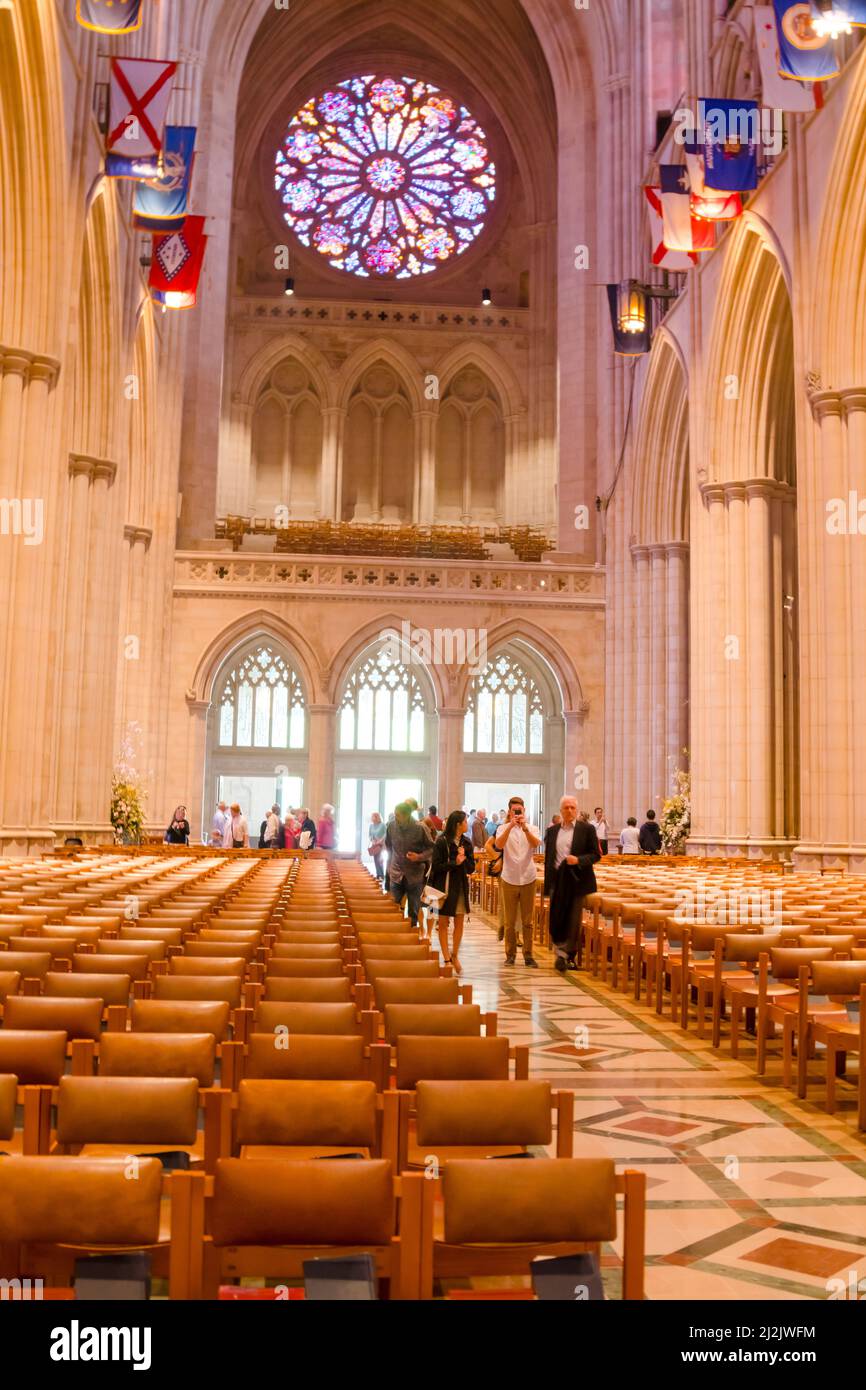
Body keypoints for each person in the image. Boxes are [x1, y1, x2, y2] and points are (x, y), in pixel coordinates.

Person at [543, 796, 600, 972]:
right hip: (557, 881)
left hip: (577, 880)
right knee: (557, 916)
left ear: (577, 810)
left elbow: (596, 855)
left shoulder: (587, 829)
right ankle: (560, 950)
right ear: (561, 810)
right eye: (566, 808)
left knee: (573, 919)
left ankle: (567, 954)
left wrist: (579, 860)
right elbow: (549, 859)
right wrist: (548, 884)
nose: (569, 810)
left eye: (573, 808)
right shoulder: (552, 832)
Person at [496, 796, 541, 968]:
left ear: (524, 811)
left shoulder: (532, 828)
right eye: (514, 810)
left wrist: (524, 828)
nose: (517, 813)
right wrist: (511, 826)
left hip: (528, 877)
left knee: (528, 921)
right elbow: (499, 845)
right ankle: (510, 954)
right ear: (509, 812)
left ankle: (528, 955)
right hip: (509, 878)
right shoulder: (502, 828)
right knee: (509, 921)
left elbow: (535, 844)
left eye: (519, 811)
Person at [428, 810, 475, 974]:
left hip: (460, 887)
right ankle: (447, 958)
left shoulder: (467, 843)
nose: (467, 824)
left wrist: (465, 860)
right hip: (442, 888)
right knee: (442, 923)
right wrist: (454, 862)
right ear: (458, 824)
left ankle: (455, 954)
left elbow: (471, 868)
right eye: (465, 821)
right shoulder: (442, 842)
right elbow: (436, 866)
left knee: (459, 922)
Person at [385, 801, 432, 928]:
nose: (395, 817)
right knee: (393, 908)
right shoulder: (391, 826)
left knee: (413, 911)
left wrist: (419, 857)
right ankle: (395, 939)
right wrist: (389, 864)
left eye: (398, 815)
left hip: (414, 875)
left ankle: (411, 939)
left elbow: (432, 848)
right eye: (395, 814)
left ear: (407, 815)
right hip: (396, 872)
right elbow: (388, 846)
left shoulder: (420, 827)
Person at [368, 810, 386, 880]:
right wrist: (372, 840)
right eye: (372, 817)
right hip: (374, 845)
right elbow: (369, 835)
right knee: (375, 860)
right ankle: (378, 874)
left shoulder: (382, 825)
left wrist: (380, 840)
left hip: (381, 845)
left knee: (380, 859)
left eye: (373, 817)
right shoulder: (371, 826)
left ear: (377, 817)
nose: (372, 818)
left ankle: (382, 874)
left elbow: (385, 833)